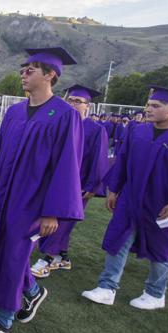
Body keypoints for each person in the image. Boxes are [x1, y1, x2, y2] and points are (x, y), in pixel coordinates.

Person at [0, 47, 84, 333]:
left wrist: (52, 211)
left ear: (50, 75)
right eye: (23, 69)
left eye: (31, 69)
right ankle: (33, 291)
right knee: (1, 249)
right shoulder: (14, 112)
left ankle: (4, 321)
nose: (23, 73)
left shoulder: (65, 115)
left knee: (14, 254)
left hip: (33, 202)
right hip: (5, 195)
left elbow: (67, 165)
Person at [82, 86, 168, 310]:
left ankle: (155, 294)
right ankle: (107, 287)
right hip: (131, 196)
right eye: (148, 104)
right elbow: (122, 160)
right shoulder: (137, 131)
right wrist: (113, 189)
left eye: (155, 106)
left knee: (160, 248)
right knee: (117, 240)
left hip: (163, 203)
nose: (148, 109)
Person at [31, 85, 110, 278]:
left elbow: (99, 161)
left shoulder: (95, 130)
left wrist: (92, 187)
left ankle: (47, 258)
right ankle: (62, 257)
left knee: (61, 221)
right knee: (51, 219)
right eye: (70, 100)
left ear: (87, 106)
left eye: (78, 101)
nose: (73, 104)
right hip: (53, 181)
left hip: (79, 185)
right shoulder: (59, 123)